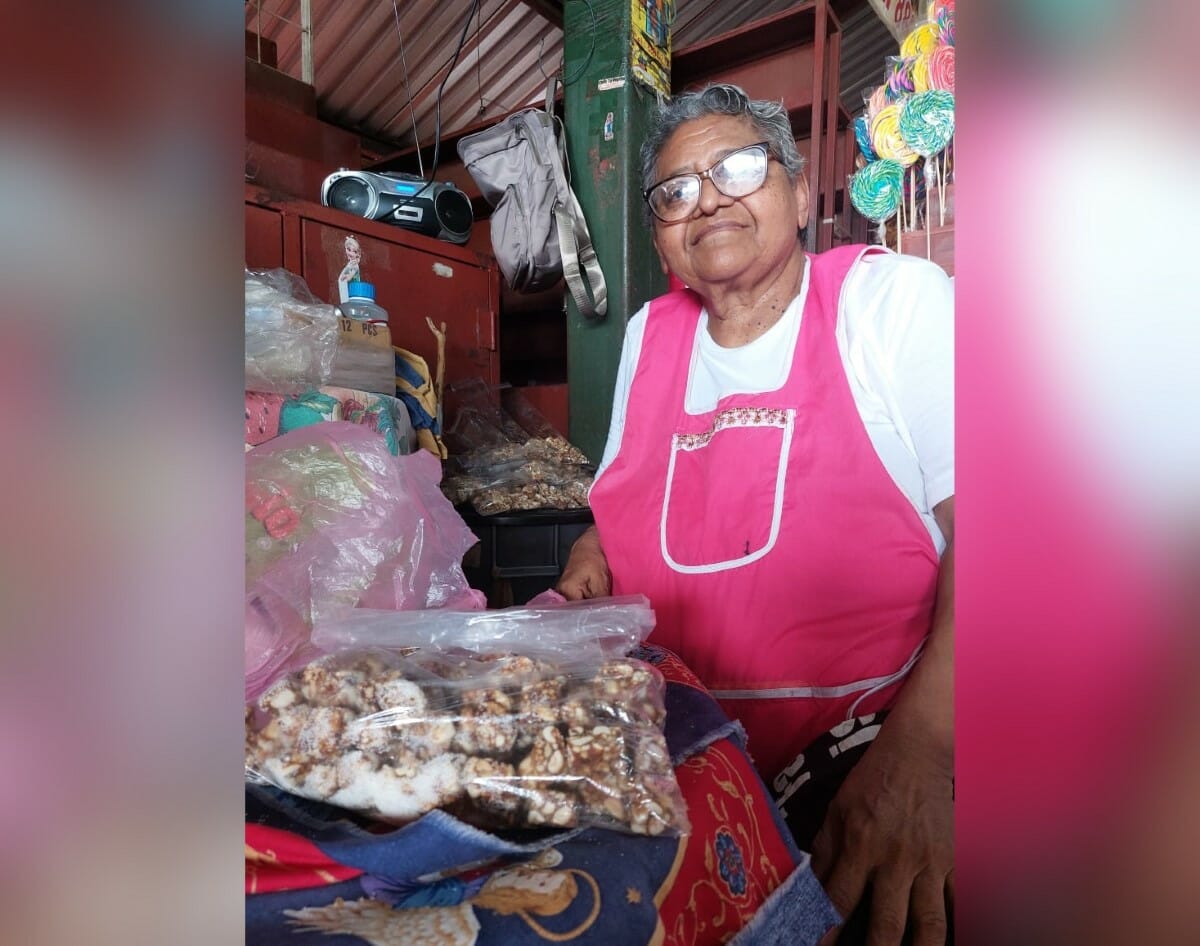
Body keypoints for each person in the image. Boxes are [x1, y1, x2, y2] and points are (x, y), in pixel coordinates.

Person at [556, 84, 954, 945]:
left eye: (737, 167)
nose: (708, 198)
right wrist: (596, 542)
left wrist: (926, 756)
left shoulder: (886, 304)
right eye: (676, 189)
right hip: (678, 768)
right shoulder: (646, 337)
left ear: (801, 193)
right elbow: (636, 491)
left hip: (861, 763)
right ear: (662, 231)